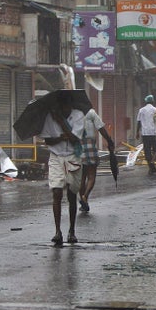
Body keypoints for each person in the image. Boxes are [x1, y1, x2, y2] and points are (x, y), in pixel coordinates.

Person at [40, 95, 85, 246]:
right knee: (57, 192)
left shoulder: (79, 116)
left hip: (73, 156)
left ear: (71, 105)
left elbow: (74, 139)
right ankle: (57, 231)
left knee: (72, 194)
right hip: (56, 156)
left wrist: (61, 122)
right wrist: (61, 137)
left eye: (67, 106)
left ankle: (71, 231)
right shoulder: (49, 117)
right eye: (62, 106)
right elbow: (47, 140)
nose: (64, 109)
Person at [78, 107, 114, 213]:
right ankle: (85, 196)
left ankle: (84, 202)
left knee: (81, 177)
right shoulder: (91, 113)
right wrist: (109, 140)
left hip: (77, 146)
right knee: (91, 175)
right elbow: (101, 128)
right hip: (90, 145)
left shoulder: (72, 113)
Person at [135, 94, 156, 175]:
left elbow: (139, 122)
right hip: (154, 133)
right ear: (152, 101)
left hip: (145, 133)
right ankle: (152, 162)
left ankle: (150, 166)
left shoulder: (141, 110)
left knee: (147, 150)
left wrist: (137, 132)